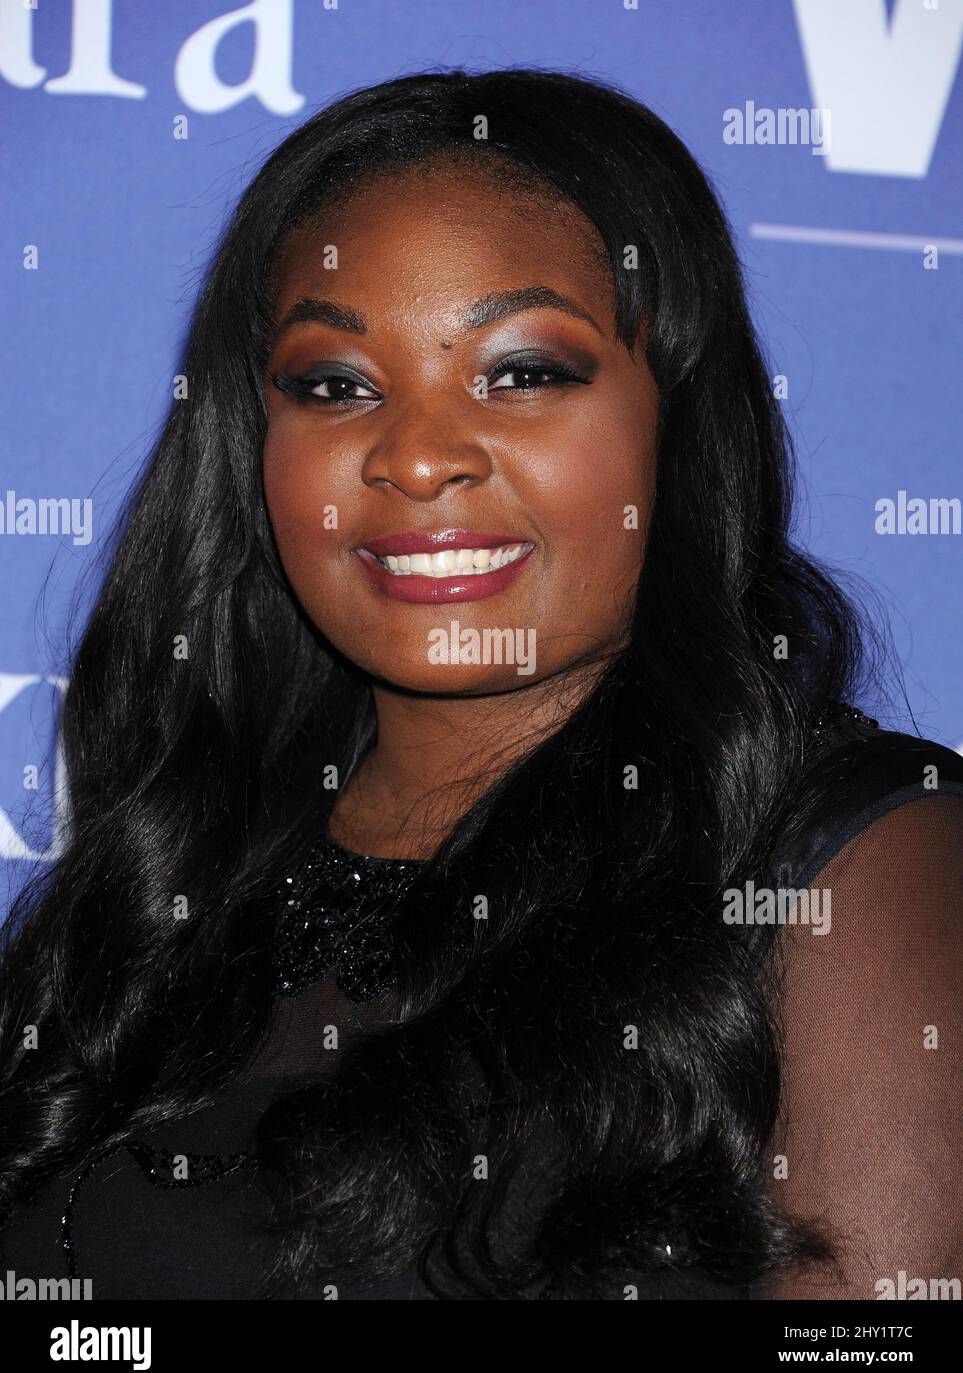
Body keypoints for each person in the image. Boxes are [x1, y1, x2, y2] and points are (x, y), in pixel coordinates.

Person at [0, 68, 960, 1302]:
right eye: (336, 384)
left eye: (521, 372)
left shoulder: (858, 858)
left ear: (676, 420)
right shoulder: (164, 881)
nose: (415, 456)